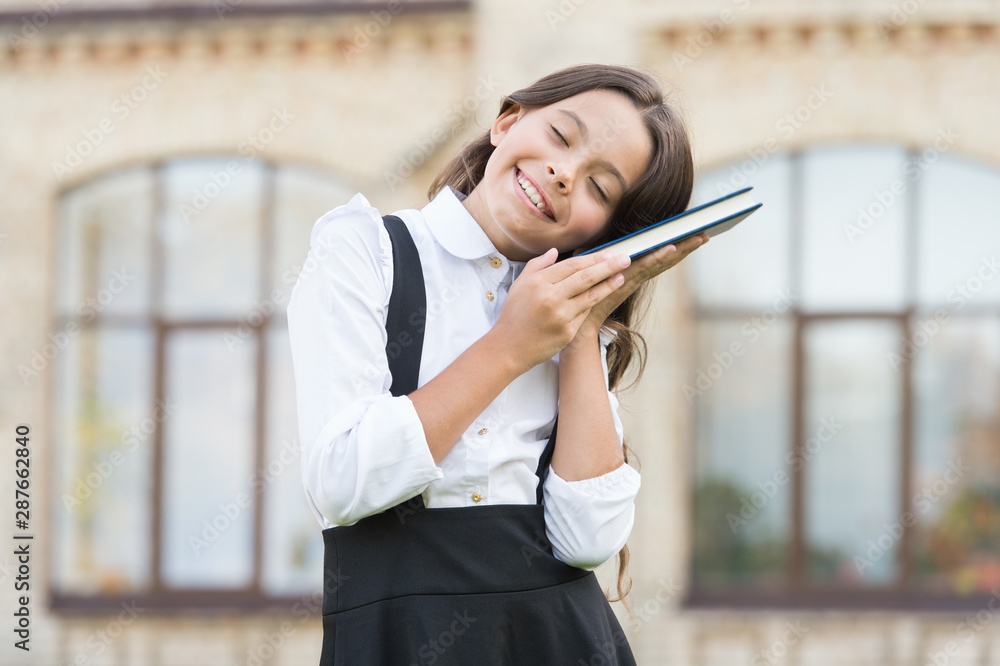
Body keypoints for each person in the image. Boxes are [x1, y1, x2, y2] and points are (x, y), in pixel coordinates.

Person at [287, 62, 707, 665]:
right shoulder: (367, 250)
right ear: (506, 122)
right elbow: (342, 479)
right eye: (561, 137)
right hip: (395, 639)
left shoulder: (574, 324)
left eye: (600, 187)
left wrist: (583, 326)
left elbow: (587, 540)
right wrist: (511, 346)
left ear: (606, 231)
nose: (565, 174)